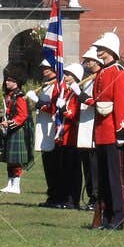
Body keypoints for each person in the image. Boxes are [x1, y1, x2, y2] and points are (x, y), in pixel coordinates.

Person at [88, 30, 124, 230]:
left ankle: (118, 217)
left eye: (101, 48)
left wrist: (122, 130)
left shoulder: (118, 72)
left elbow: (123, 103)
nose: (98, 51)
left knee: (115, 178)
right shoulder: (102, 73)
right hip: (101, 132)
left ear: (110, 51)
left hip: (113, 131)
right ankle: (106, 215)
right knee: (103, 178)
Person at [50, 62, 85, 209]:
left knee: (73, 169)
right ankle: (64, 197)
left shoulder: (76, 93)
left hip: (72, 134)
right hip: (63, 135)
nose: (66, 77)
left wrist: (63, 108)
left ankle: (73, 199)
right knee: (64, 168)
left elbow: (73, 114)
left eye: (69, 75)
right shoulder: (67, 91)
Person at [29, 62, 64, 203]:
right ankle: (52, 195)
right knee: (47, 165)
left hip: (52, 128)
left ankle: (57, 196)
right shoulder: (47, 83)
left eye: (46, 68)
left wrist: (37, 101)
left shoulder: (57, 85)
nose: (43, 70)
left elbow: (53, 108)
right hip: (43, 128)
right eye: (42, 67)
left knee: (54, 164)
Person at [0, 67, 33, 195]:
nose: (6, 82)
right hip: (9, 129)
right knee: (9, 159)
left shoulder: (20, 97)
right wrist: (0, 120)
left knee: (16, 159)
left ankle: (16, 185)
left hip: (17, 130)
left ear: (16, 82)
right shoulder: (9, 95)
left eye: (9, 80)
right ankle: (9, 184)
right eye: (7, 80)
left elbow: (22, 116)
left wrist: (10, 123)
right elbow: (8, 112)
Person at [77, 48, 102, 211]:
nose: (87, 63)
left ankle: (97, 197)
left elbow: (100, 102)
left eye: (89, 61)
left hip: (95, 124)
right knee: (87, 166)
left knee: (95, 166)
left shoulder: (101, 78)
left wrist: (82, 96)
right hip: (85, 124)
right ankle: (91, 195)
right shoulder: (89, 79)